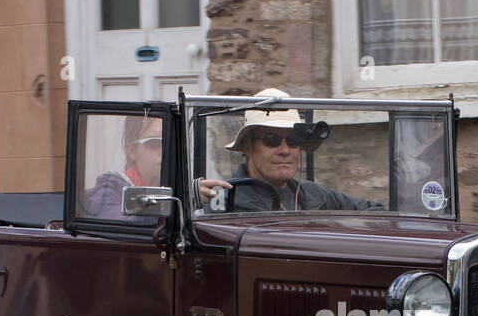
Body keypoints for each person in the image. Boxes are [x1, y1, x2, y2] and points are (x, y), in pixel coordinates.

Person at [197, 88, 384, 213]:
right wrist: (192, 197)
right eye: (272, 140)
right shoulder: (223, 203)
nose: (285, 150)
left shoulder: (315, 195)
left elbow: (377, 214)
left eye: (293, 140)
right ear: (247, 147)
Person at [84, 115, 164, 220]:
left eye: (172, 143)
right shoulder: (110, 191)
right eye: (154, 142)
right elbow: (111, 221)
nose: (165, 150)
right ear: (132, 150)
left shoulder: (183, 191)